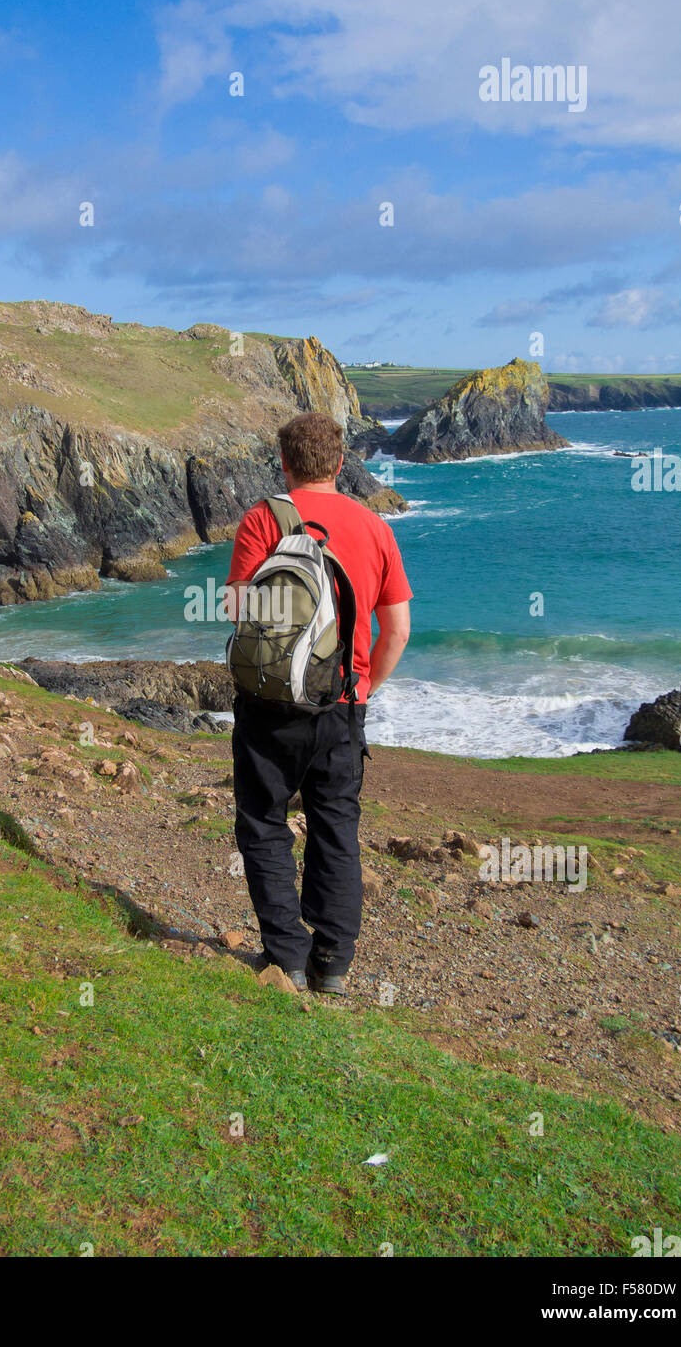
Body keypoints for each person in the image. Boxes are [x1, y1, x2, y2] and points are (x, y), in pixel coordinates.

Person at [226, 411, 412, 995]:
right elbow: (398, 629)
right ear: (339, 464)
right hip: (343, 705)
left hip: (271, 704)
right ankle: (332, 964)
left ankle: (287, 956)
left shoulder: (264, 519)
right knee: (335, 824)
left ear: (284, 463)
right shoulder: (373, 525)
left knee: (263, 821)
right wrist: (365, 688)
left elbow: (237, 611)